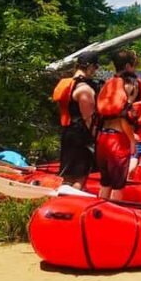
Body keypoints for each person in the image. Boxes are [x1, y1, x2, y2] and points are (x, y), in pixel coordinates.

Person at [95, 49, 141, 200]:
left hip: (103, 139)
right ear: (128, 66)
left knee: (105, 182)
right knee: (118, 185)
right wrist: (132, 141)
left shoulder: (109, 83)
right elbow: (124, 117)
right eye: (135, 64)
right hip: (118, 140)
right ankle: (115, 209)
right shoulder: (131, 85)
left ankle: (100, 209)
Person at [53, 52, 100, 188]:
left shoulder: (68, 84)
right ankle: (75, 196)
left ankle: (63, 195)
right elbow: (88, 118)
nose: (95, 71)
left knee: (67, 172)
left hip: (68, 131)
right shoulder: (84, 89)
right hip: (81, 135)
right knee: (80, 176)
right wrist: (97, 138)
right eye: (96, 67)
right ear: (90, 67)